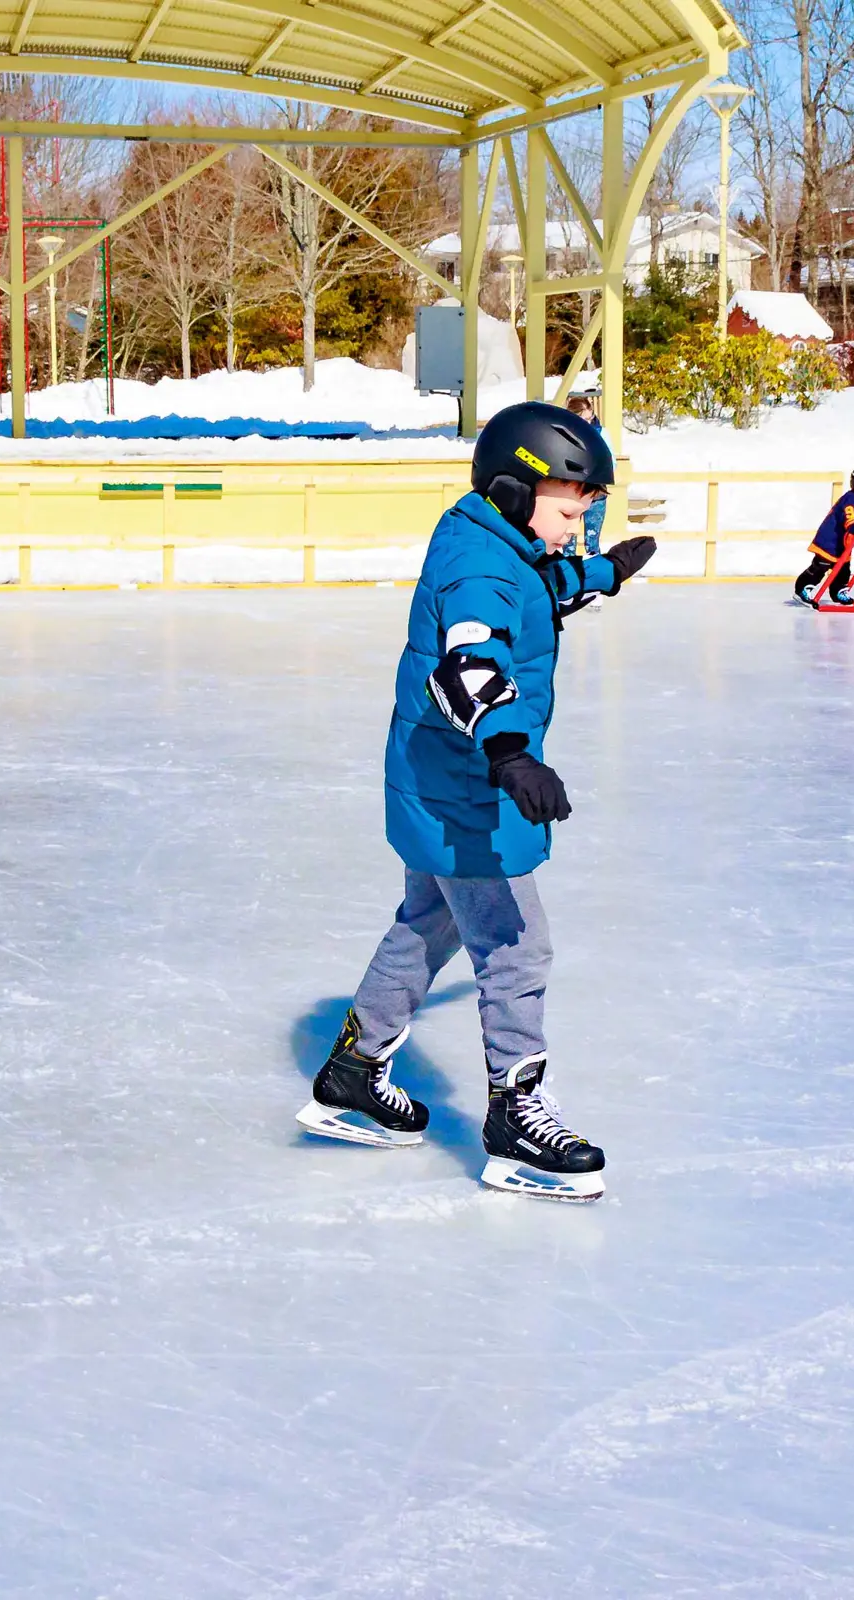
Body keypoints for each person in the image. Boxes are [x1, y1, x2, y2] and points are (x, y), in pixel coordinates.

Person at [296, 401, 657, 1202]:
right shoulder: (480, 569)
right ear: (515, 492)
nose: (576, 528)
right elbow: (471, 660)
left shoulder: (492, 541)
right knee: (515, 946)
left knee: (428, 923)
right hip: (469, 786)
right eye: (570, 511)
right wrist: (510, 752)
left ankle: (354, 1071)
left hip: (436, 776)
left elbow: (537, 585)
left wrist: (605, 574)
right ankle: (516, 1119)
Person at [795, 465, 854, 608]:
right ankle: (803, 589)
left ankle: (838, 592)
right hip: (829, 541)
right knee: (821, 566)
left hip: (843, 544)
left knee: (843, 569)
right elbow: (850, 520)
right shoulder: (849, 500)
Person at [562, 395, 609, 612]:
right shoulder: (564, 434)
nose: (588, 423)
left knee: (592, 541)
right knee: (567, 540)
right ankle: (567, 587)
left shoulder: (601, 433)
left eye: (590, 419)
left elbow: (611, 461)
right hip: (571, 493)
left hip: (595, 495)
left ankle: (594, 589)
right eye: (583, 419)